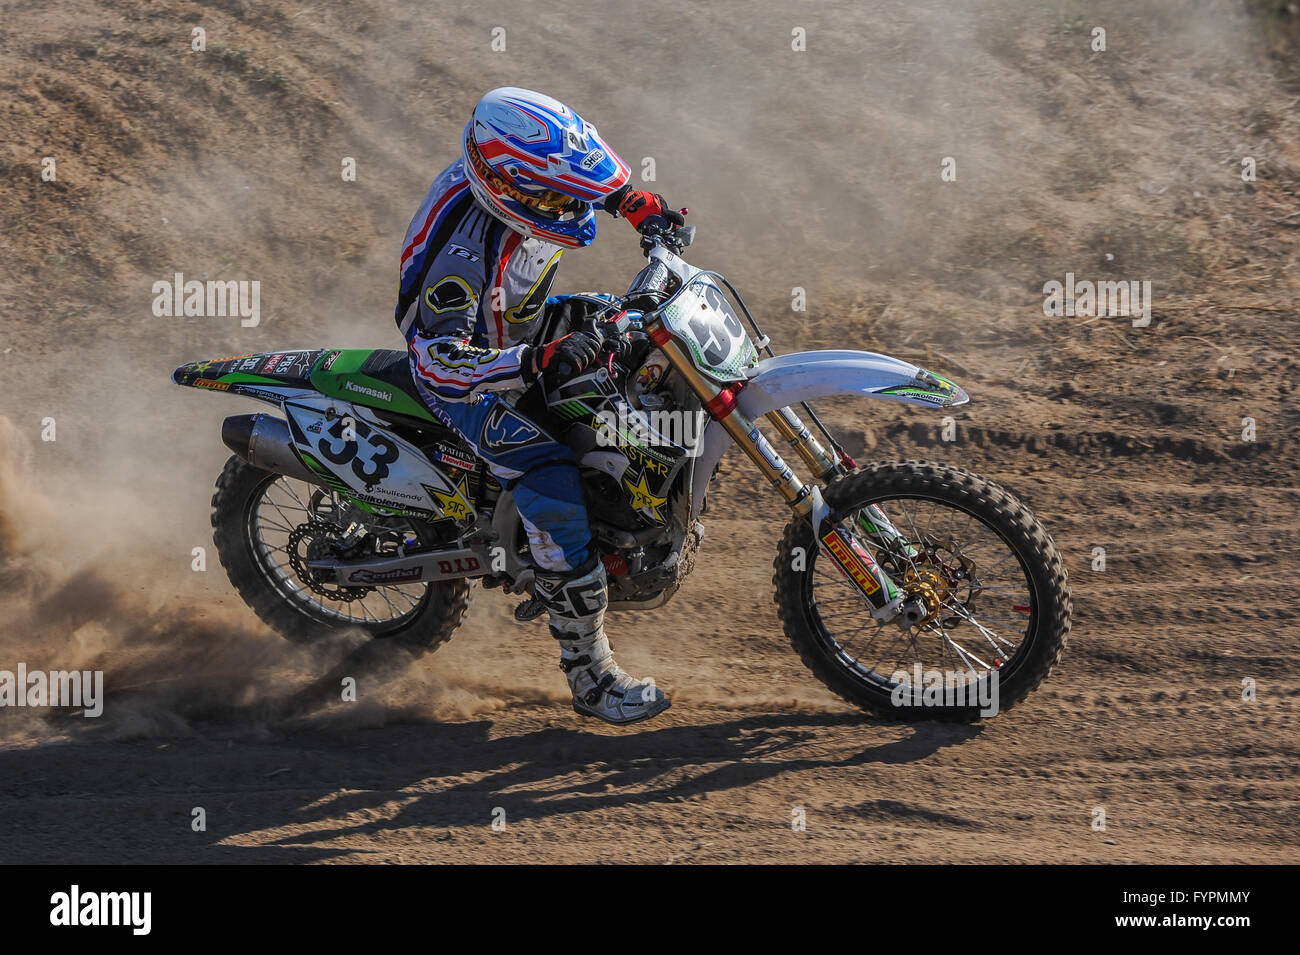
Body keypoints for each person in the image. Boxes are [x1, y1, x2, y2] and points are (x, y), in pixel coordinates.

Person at [395, 88, 685, 725]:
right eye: (556, 200)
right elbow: (442, 359)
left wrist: (633, 205)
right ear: (507, 186)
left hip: (515, 327)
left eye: (570, 195)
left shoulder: (527, 186)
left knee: (630, 338)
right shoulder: (465, 257)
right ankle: (590, 675)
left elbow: (576, 173)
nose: (568, 207)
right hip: (468, 373)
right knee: (548, 470)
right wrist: (534, 363)